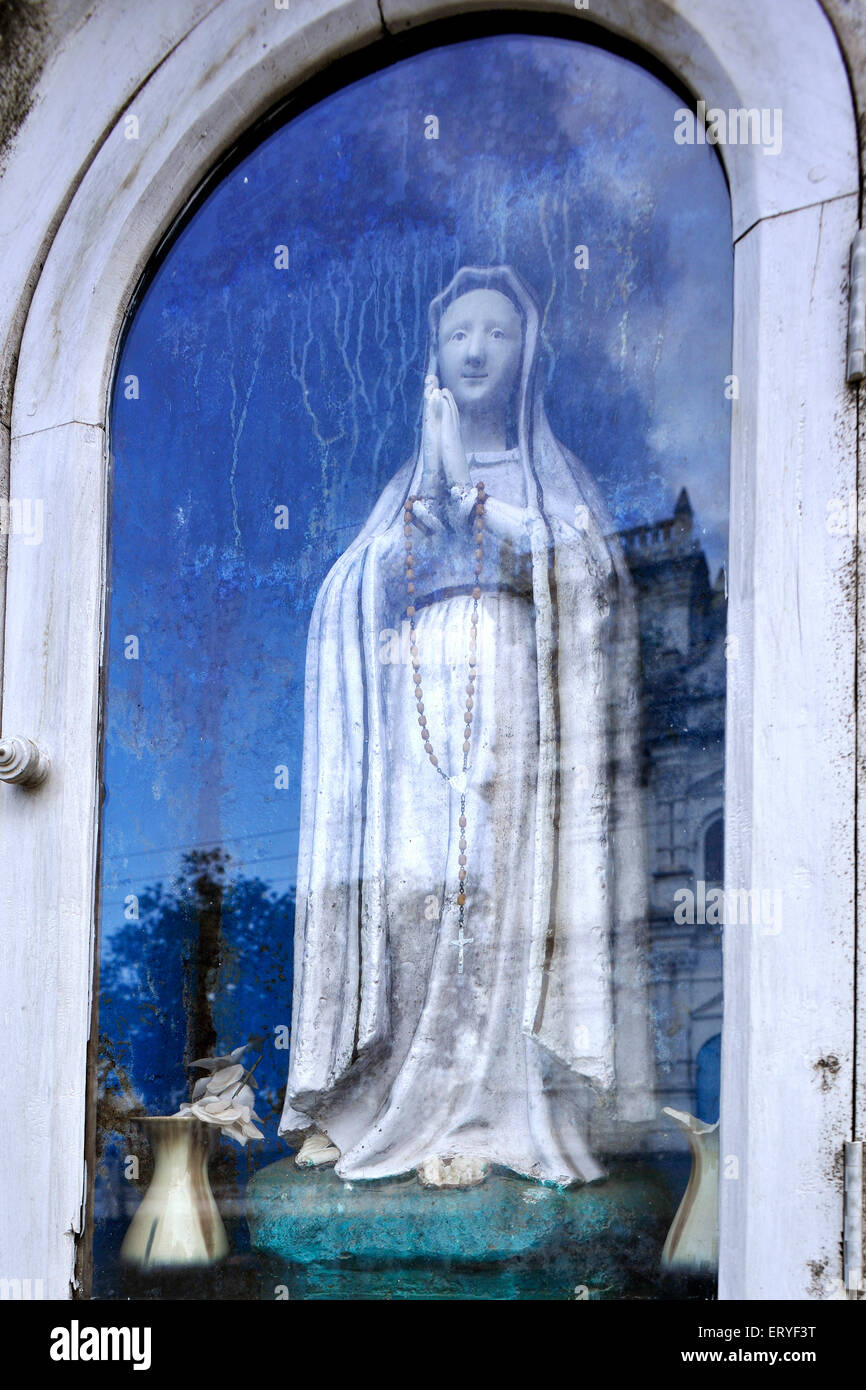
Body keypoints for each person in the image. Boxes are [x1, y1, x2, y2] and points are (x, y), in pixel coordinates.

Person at [279, 265, 654, 1188]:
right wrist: (429, 497)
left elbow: (595, 581)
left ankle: (494, 1110)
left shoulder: (552, 475)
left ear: (527, 352)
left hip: (515, 700)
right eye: (459, 334)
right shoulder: (405, 476)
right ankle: (394, 1099)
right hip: (419, 710)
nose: (477, 348)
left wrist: (489, 506)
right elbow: (345, 594)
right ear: (435, 357)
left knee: (500, 891)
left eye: (496, 331)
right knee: (410, 893)